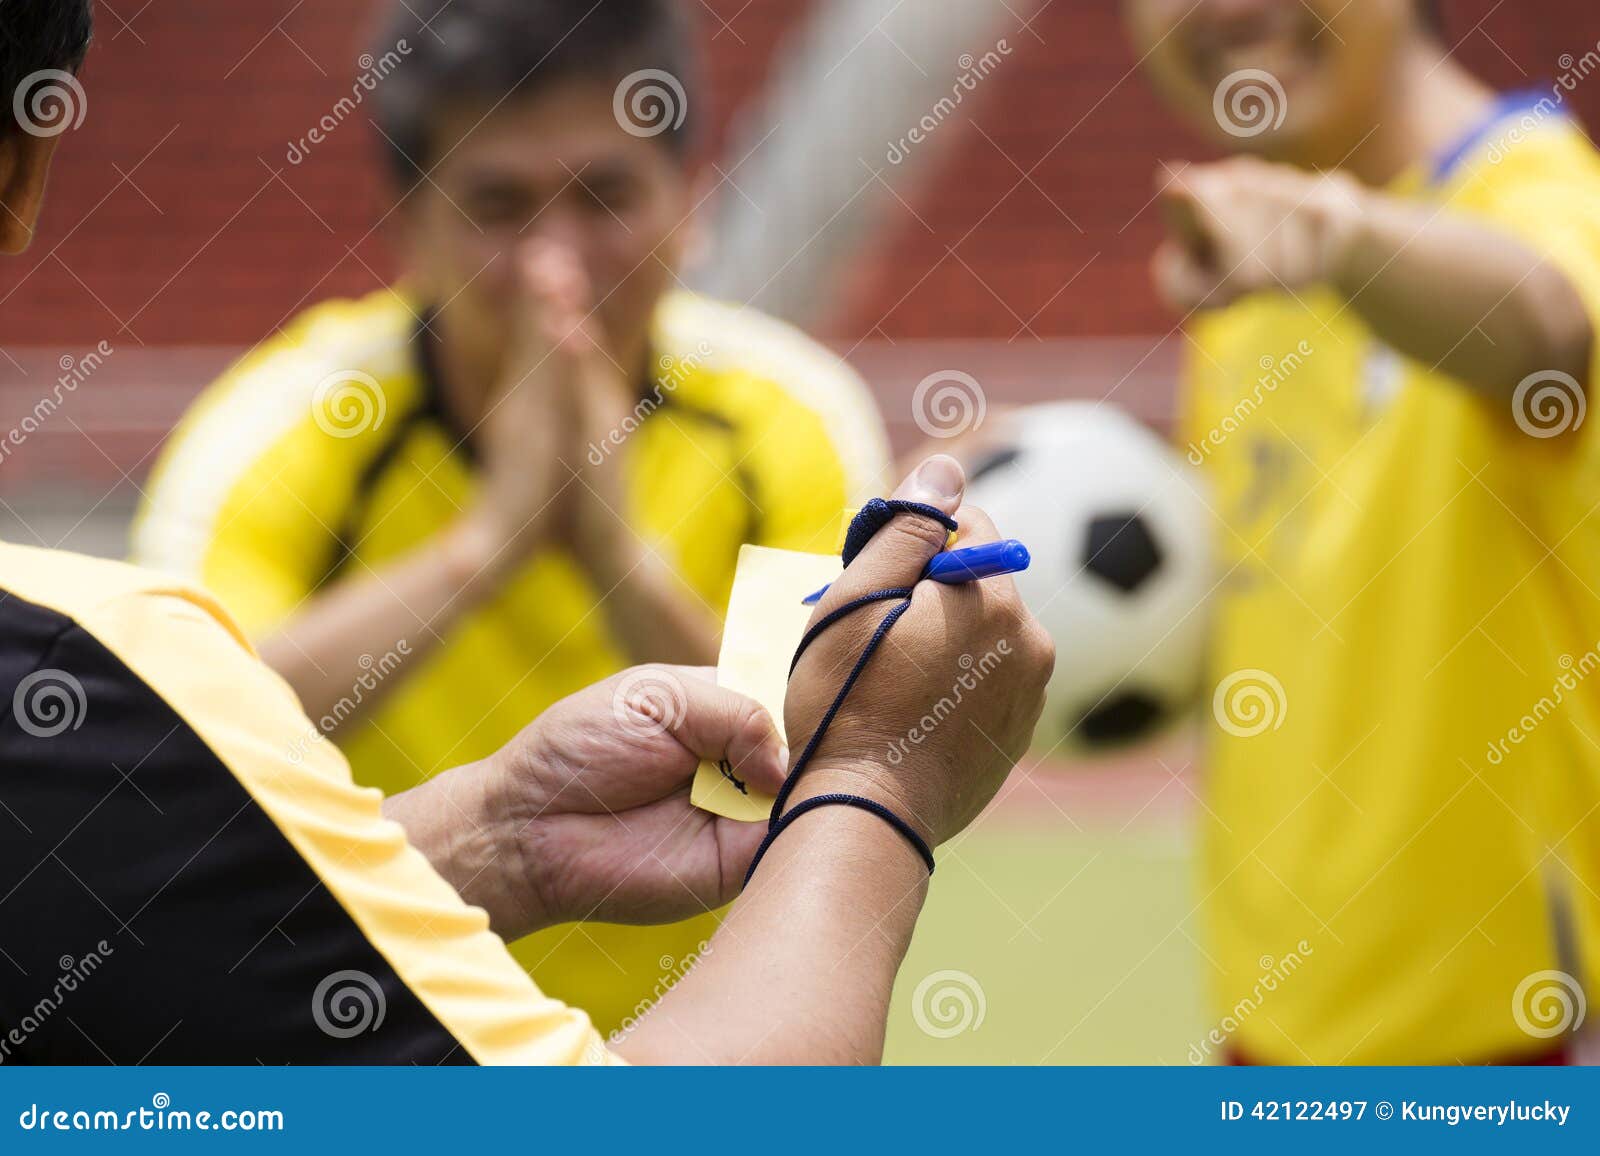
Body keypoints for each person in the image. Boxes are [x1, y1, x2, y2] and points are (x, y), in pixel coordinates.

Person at [0, 3, 1054, 1064]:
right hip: (360, 1033)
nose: (555, 264)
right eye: (498, 204)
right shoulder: (284, 424)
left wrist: (617, 562)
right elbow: (169, 777)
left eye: (605, 195)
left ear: (688, 207)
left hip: (706, 1029)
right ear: (408, 222)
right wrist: (484, 546)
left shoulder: (783, 412)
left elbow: (794, 755)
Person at [1122, 0, 1600, 1063]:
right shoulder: (1248, 275)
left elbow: (1543, 323)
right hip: (1272, 1044)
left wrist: (1339, 240)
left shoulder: (1534, 194)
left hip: (1514, 1053)